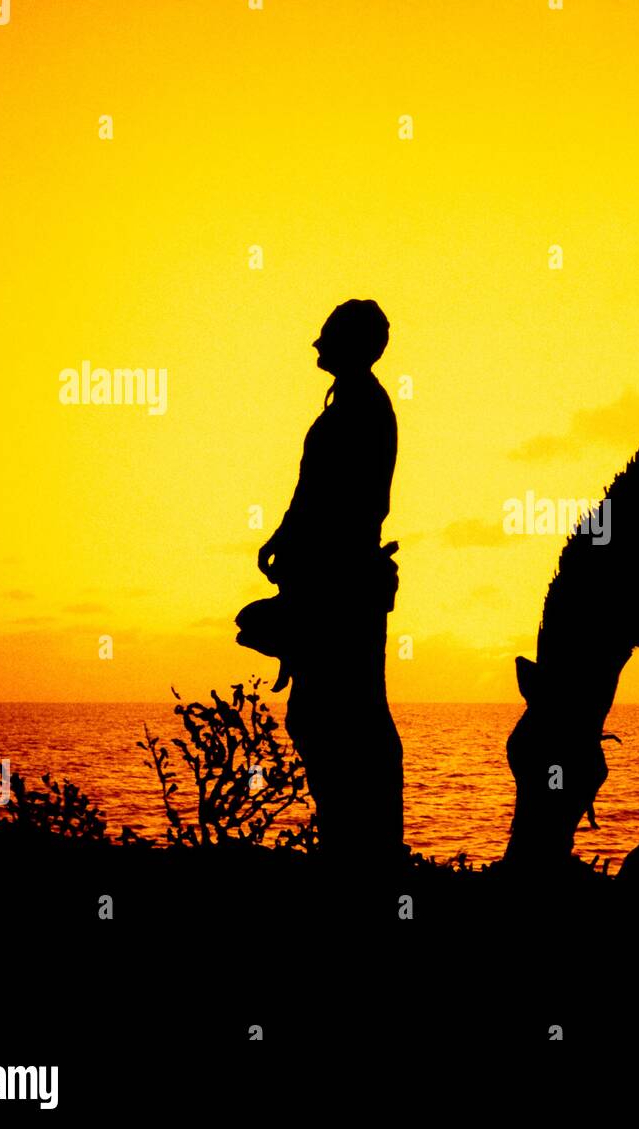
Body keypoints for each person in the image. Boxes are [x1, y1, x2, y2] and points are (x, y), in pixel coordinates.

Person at [256, 298, 403, 862]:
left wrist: (310, 556)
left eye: (328, 335)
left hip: (342, 582)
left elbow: (348, 501)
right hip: (328, 575)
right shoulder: (348, 404)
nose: (317, 344)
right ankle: (349, 842)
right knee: (324, 712)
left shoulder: (363, 408)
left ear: (353, 345)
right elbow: (311, 488)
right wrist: (283, 536)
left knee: (343, 713)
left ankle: (361, 846)